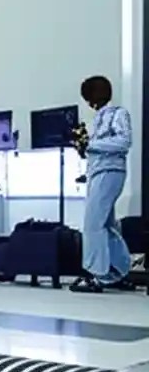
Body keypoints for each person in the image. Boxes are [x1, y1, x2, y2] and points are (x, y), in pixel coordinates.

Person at [71, 75, 134, 293]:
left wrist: (92, 144)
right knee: (105, 224)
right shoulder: (96, 120)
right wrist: (83, 148)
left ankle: (95, 274)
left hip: (110, 172)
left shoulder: (118, 113)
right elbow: (95, 150)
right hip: (98, 173)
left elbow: (124, 141)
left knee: (92, 224)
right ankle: (117, 270)